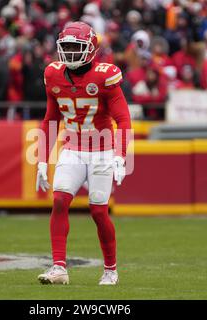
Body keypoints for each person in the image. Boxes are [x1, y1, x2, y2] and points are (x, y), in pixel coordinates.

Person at [36, 22, 132, 286]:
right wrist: (43, 158)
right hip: (73, 149)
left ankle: (111, 269)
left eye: (75, 47)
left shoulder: (105, 75)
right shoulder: (53, 74)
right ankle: (59, 268)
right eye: (65, 46)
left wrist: (121, 155)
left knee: (98, 212)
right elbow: (50, 119)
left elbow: (123, 119)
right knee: (59, 201)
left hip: (101, 150)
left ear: (90, 49)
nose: (69, 52)